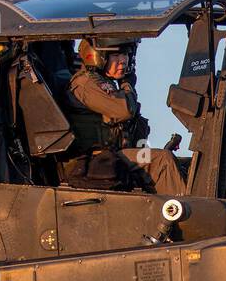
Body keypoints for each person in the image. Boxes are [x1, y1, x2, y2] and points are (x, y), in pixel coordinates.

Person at [61, 38, 187, 195]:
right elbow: (124, 110)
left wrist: (146, 149)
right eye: (115, 55)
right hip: (95, 160)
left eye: (126, 54)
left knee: (184, 164)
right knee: (162, 160)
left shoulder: (109, 84)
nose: (122, 61)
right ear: (97, 56)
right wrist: (127, 86)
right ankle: (187, 215)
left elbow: (136, 134)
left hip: (113, 156)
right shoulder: (86, 83)